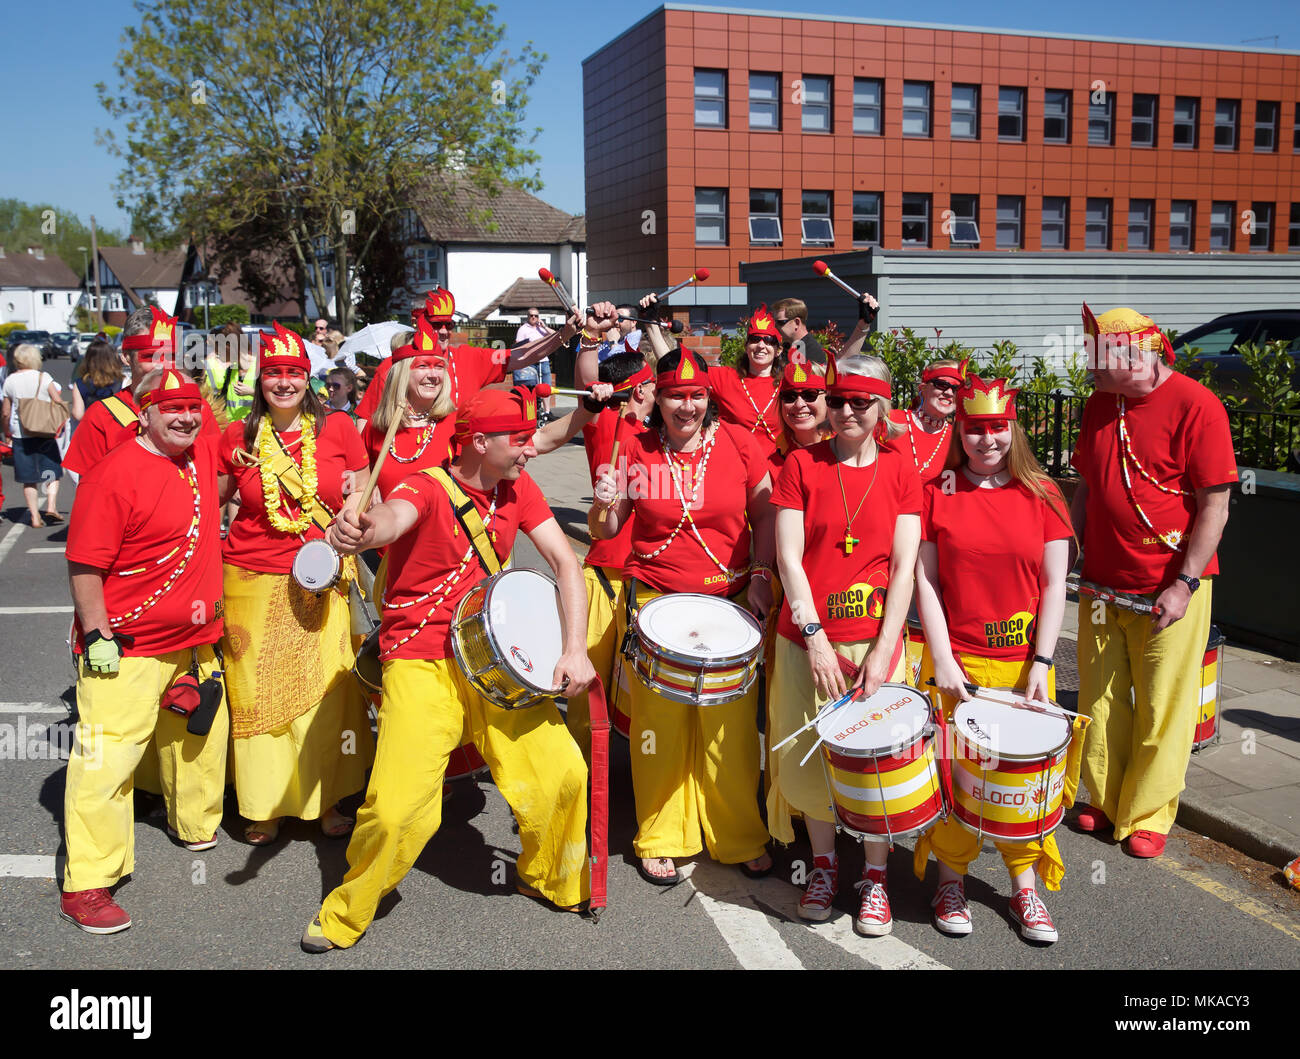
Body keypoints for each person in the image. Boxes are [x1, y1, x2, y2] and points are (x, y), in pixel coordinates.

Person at [302, 387, 596, 952]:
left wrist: (575, 649)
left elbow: (565, 562)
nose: (531, 449)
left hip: (492, 656)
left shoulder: (518, 486)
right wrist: (360, 530)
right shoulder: (425, 487)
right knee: (395, 808)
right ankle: (350, 906)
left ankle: (547, 877)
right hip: (420, 659)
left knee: (562, 772)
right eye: (520, 440)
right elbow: (390, 518)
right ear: (479, 443)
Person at [592, 345, 775, 887]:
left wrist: (762, 575)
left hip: (731, 603)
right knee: (661, 729)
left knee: (732, 729)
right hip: (657, 604)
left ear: (709, 399)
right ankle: (661, 833)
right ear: (657, 398)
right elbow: (607, 530)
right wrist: (604, 503)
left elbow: (766, 512)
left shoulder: (741, 443)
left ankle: (739, 832)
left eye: (696, 396)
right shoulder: (636, 450)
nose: (686, 407)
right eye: (675, 396)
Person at [60, 368, 228, 933]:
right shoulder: (113, 475)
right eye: (171, 409)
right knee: (107, 758)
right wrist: (97, 634)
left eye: (192, 408)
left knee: (197, 738)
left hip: (196, 641)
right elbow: (84, 564)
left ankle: (193, 823)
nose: (185, 417)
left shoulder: (200, 454)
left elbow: (236, 466)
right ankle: (88, 881)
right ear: (146, 413)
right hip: (128, 645)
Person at [911, 370, 1074, 943]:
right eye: (976, 429)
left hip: (1025, 670)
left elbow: (1055, 585)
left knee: (1022, 787)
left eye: (998, 428)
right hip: (957, 668)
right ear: (961, 429)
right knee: (959, 782)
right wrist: (944, 659)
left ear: (1014, 429)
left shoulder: (1044, 492)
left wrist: (1043, 662)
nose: (988, 441)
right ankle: (950, 880)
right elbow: (924, 582)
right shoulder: (938, 490)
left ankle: (1024, 889)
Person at [1070, 305, 1235, 859]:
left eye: (1096, 358)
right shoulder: (1099, 402)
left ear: (1133, 356)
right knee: (1101, 697)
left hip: (1169, 587)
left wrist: (1184, 583)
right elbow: (1087, 486)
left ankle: (1148, 811)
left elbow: (1215, 506)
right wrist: (1072, 548)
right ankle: (1103, 795)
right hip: (1099, 583)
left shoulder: (1198, 405)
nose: (1086, 367)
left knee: (1164, 703)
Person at [767, 353, 919, 935]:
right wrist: (815, 638)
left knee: (877, 764)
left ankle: (875, 879)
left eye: (860, 402)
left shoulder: (902, 471)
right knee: (809, 762)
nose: (846, 412)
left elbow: (903, 568)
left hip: (874, 643)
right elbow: (788, 557)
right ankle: (825, 865)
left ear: (881, 408)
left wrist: (885, 650)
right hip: (807, 642)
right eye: (838, 400)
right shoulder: (801, 464)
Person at [216, 321, 374, 846]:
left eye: (294, 374)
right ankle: (264, 804)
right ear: (259, 380)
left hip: (320, 576)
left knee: (323, 693)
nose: (284, 383)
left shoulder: (340, 429)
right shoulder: (236, 437)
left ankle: (324, 798)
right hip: (250, 577)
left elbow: (363, 480)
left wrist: (351, 510)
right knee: (256, 694)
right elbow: (201, 498)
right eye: (274, 374)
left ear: (309, 379)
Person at [564, 351, 655, 753]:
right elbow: (589, 381)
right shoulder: (605, 422)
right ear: (639, 389)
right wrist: (590, 338)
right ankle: (581, 776)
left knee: (644, 691)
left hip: (649, 576)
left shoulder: (664, 434)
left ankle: (641, 770)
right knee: (588, 686)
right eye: (654, 387)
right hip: (603, 575)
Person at [354, 286, 577, 429]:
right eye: (436, 324)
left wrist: (563, 334)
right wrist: (366, 481)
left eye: (448, 324)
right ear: (417, 322)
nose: (443, 331)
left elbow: (519, 356)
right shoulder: (393, 367)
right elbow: (365, 421)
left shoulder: (469, 357)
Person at [65, 306, 221, 477]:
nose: (161, 365)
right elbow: (89, 488)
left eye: (169, 356)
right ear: (126, 357)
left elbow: (216, 477)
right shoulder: (101, 416)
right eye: (149, 356)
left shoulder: (197, 411)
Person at [704, 304, 785, 465]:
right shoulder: (726, 378)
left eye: (768, 341)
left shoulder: (787, 384)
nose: (761, 345)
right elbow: (678, 366)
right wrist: (651, 326)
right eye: (755, 339)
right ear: (746, 347)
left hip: (778, 473)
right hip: (736, 468)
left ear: (778, 350)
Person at [1, 343, 69, 526]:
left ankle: (34, 516)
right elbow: (58, 401)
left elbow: (6, 412)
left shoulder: (10, 381)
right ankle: (52, 506)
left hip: (21, 432)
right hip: (45, 430)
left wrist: (6, 431)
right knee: (52, 470)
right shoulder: (44, 377)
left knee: (28, 477)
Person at [70, 340, 125, 424]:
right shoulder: (123, 381)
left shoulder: (80, 383)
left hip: (91, 430)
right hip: (116, 430)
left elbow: (78, 415)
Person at [771, 297, 828, 366]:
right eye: (774, 323)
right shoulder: (787, 346)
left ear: (797, 323)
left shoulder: (812, 353)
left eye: (780, 322)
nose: (775, 326)